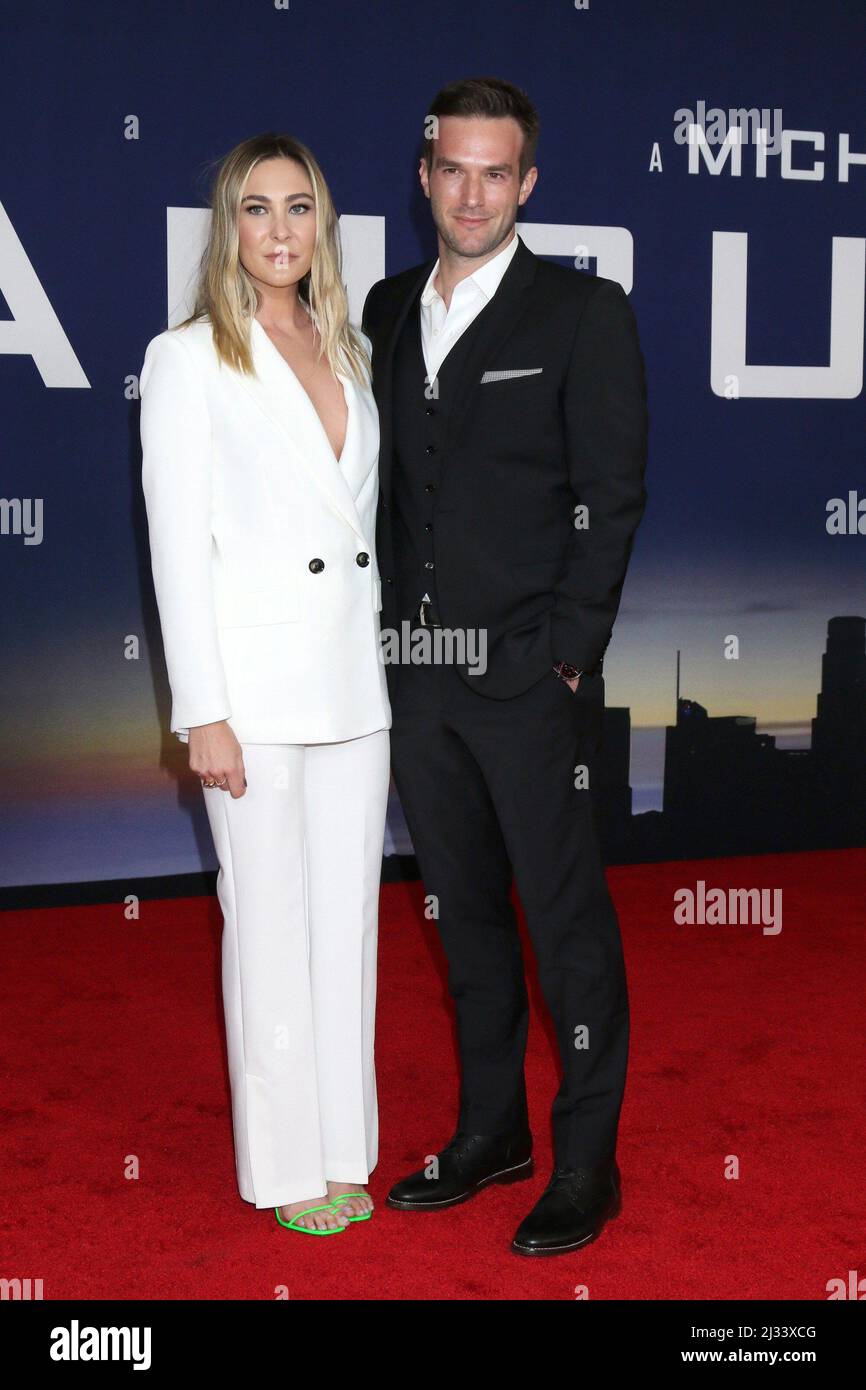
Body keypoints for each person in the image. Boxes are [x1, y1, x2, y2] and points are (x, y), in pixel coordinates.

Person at [362, 77, 649, 1256]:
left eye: (496, 172)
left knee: (563, 922)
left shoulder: (582, 314)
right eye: (452, 169)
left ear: (525, 184)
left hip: (530, 680)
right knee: (460, 913)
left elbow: (611, 493)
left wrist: (568, 659)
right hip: (414, 675)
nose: (471, 193)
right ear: (424, 175)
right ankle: (494, 1130)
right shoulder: (379, 307)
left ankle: (585, 1157)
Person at [140, 133, 391, 1235]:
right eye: (256, 208)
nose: (279, 229)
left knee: (348, 929)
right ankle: (285, 1165)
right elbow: (176, 549)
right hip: (252, 695)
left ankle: (344, 1143)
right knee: (268, 930)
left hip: (351, 689)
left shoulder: (351, 350)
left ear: (319, 224)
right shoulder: (189, 357)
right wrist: (204, 711)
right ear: (228, 228)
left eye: (299, 207)